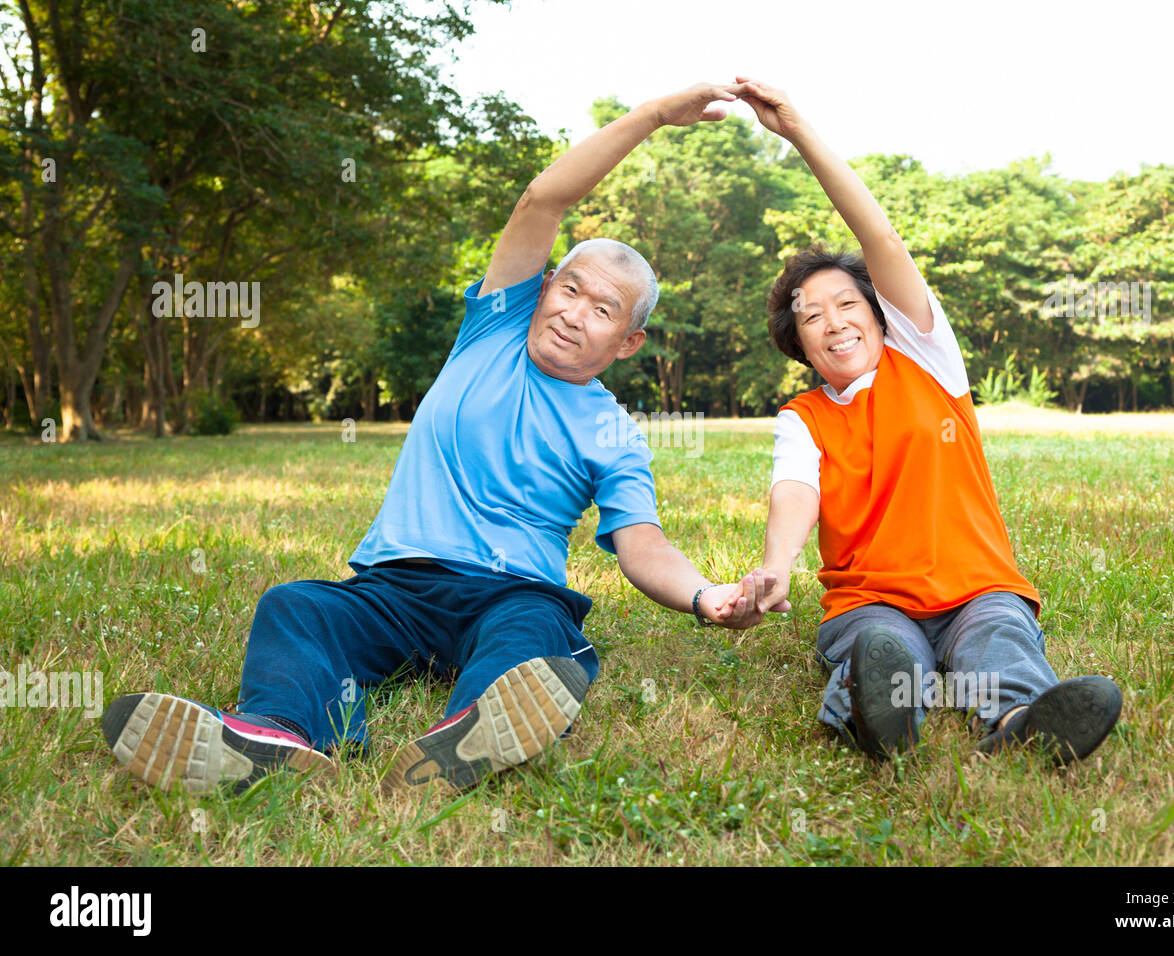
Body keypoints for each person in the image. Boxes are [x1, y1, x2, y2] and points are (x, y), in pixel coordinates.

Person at [102, 81, 787, 795]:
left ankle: (465, 737)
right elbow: (542, 202)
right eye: (570, 288)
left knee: (530, 640)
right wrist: (652, 116)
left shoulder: (613, 432)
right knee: (296, 606)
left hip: (509, 593)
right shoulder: (491, 331)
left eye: (603, 308)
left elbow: (644, 546)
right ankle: (275, 735)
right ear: (546, 286)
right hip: (394, 587)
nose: (575, 312)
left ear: (628, 341)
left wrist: (709, 597)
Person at [718, 78, 1122, 765]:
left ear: (880, 316)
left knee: (1000, 635)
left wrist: (797, 131)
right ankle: (879, 718)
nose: (833, 323)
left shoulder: (930, 361)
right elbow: (796, 490)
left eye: (847, 304)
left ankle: (1024, 723)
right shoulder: (804, 417)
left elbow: (876, 233)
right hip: (872, 601)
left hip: (975, 587)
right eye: (810, 317)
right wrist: (774, 565)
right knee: (882, 649)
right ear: (799, 344)